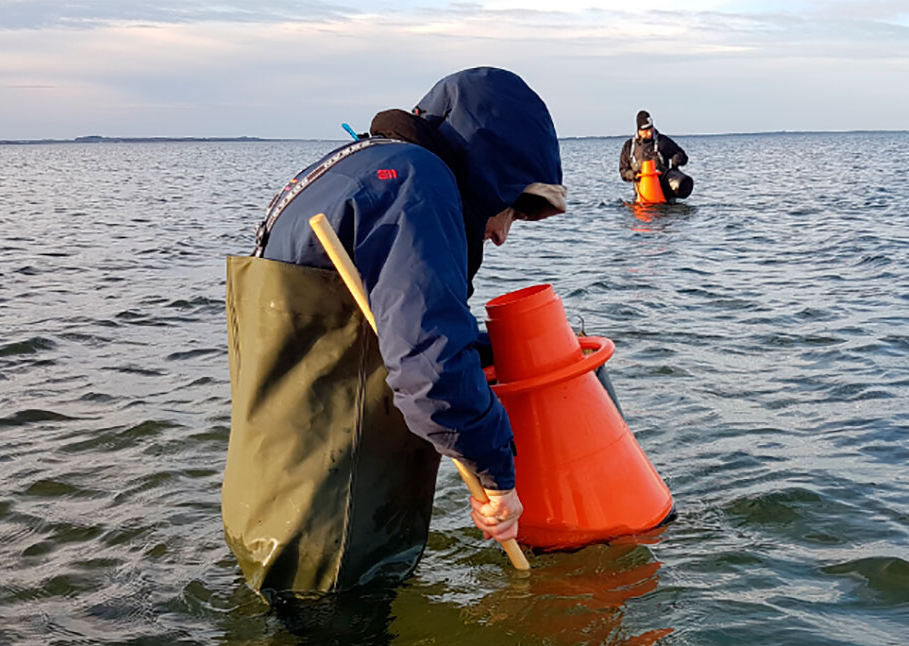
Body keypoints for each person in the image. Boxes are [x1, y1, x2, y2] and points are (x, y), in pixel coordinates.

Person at [222, 67, 567, 596]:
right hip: (335, 525)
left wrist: (503, 352)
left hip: (270, 503)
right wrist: (497, 478)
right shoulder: (415, 181)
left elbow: (370, 332)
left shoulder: (349, 168)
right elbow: (429, 369)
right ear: (489, 169)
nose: (500, 234)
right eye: (512, 209)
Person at [618, 110, 693, 199]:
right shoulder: (629, 147)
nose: (649, 133)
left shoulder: (663, 142)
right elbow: (623, 171)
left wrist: (677, 159)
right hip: (643, 196)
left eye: (651, 129)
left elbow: (683, 156)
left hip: (665, 196)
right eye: (646, 130)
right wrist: (633, 175)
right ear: (639, 130)